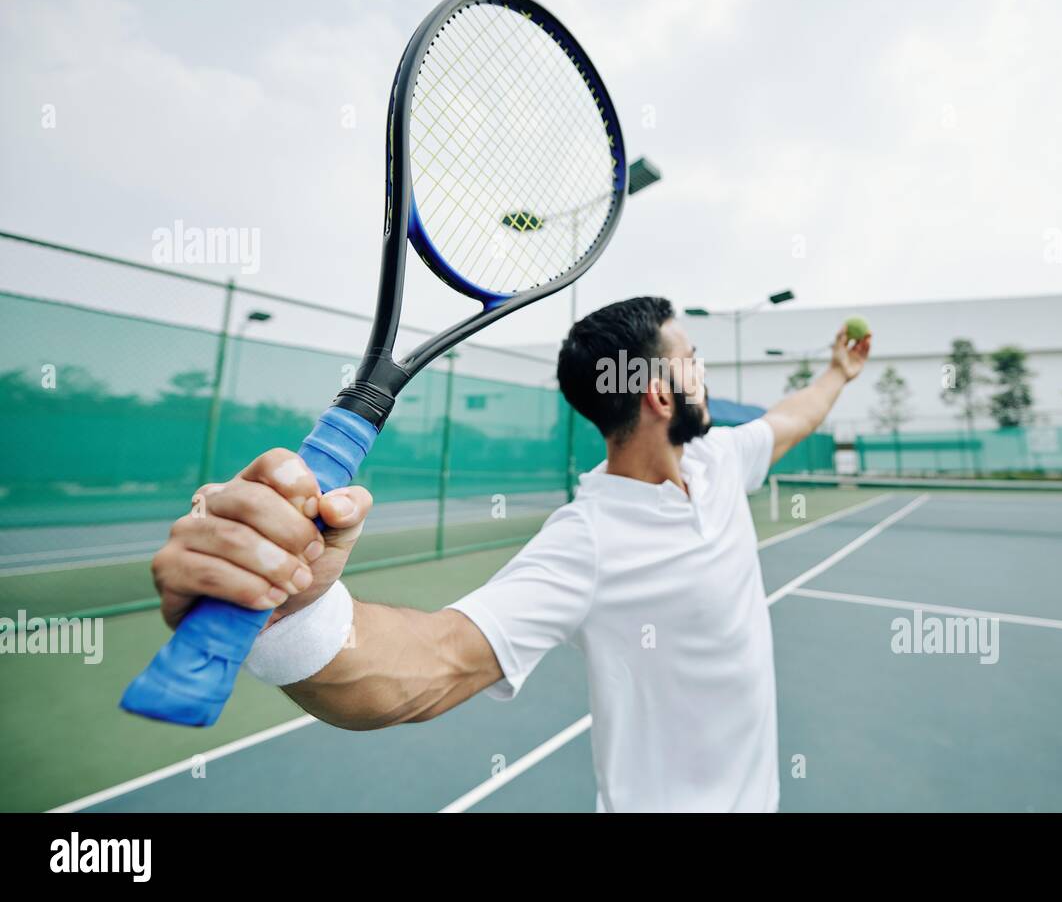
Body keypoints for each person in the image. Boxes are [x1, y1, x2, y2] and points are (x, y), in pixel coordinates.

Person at [150, 296, 871, 811]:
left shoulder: (719, 458)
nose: (704, 372)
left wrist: (838, 372)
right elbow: (428, 668)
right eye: (693, 360)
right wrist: (295, 609)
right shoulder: (590, 539)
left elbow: (791, 418)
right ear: (657, 394)